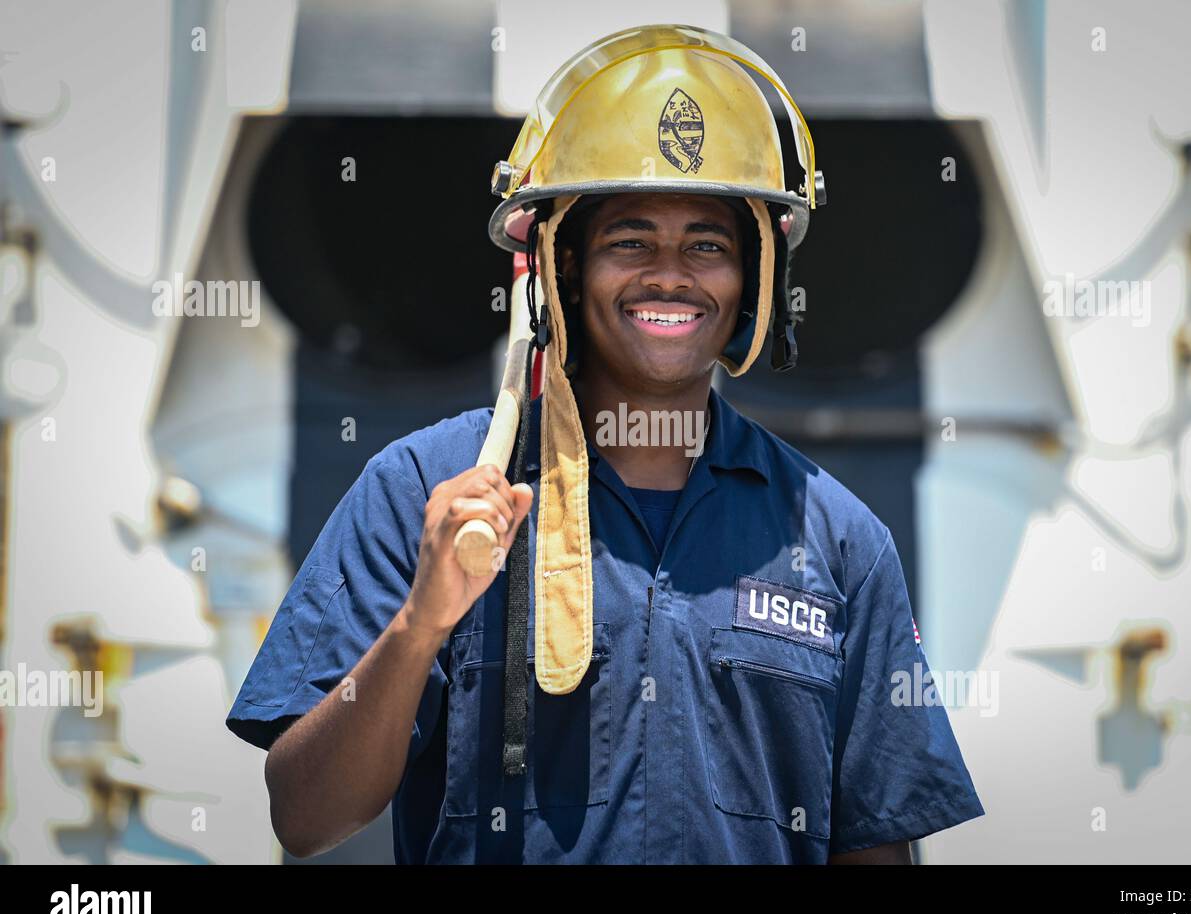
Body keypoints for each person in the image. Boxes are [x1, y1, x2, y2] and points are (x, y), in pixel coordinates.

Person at [226, 24, 984, 864]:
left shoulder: (838, 541)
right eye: (630, 240)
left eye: (709, 243)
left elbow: (876, 846)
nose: (671, 273)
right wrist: (421, 623)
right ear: (561, 268)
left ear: (757, 281)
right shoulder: (421, 493)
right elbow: (305, 815)